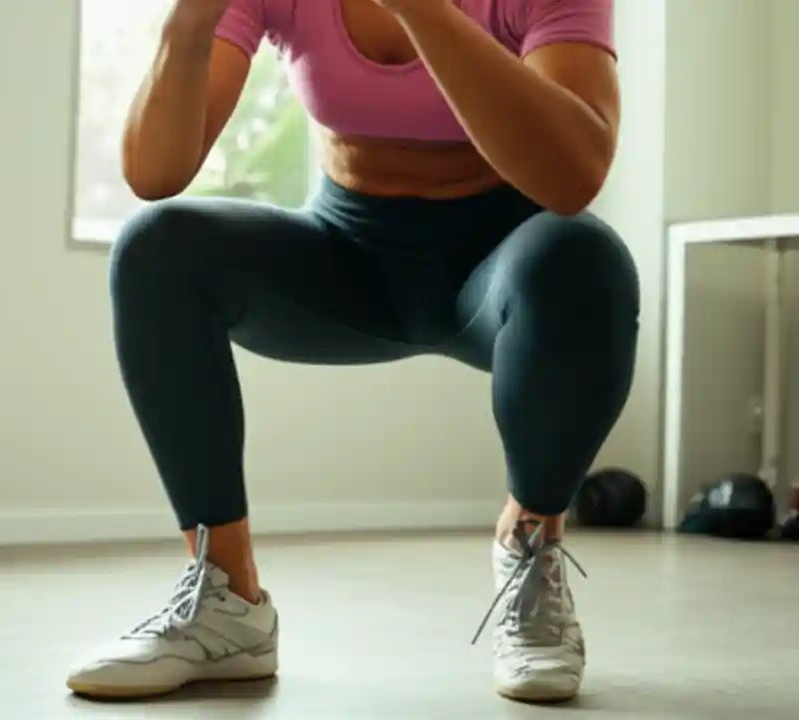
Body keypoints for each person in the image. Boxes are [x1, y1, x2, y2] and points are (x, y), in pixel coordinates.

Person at [67, 0, 638, 704]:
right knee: (155, 249)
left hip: (502, 269)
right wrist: (189, 20)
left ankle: (531, 547)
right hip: (348, 259)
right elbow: (155, 174)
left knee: (583, 258)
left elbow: (575, 176)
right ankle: (228, 603)